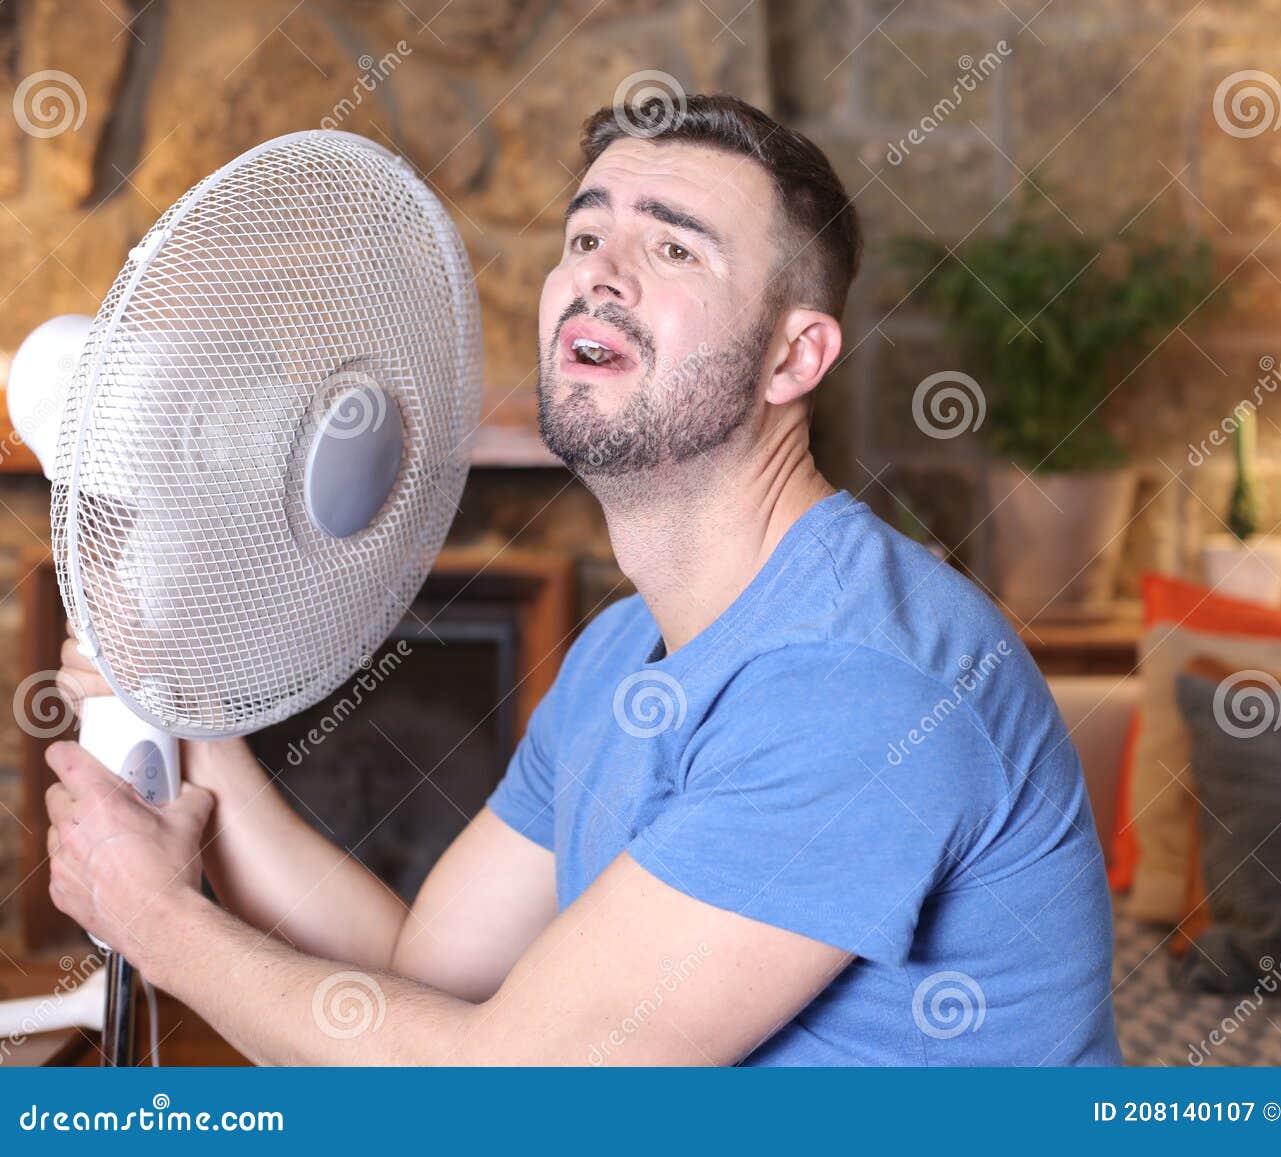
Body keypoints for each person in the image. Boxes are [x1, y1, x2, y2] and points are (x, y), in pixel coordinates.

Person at [44, 93, 1120, 1066]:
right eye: (586, 232)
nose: (602, 270)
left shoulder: (857, 681)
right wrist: (186, 712)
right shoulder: (621, 651)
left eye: (673, 248)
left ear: (795, 358)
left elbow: (519, 1092)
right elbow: (419, 971)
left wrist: (158, 923)